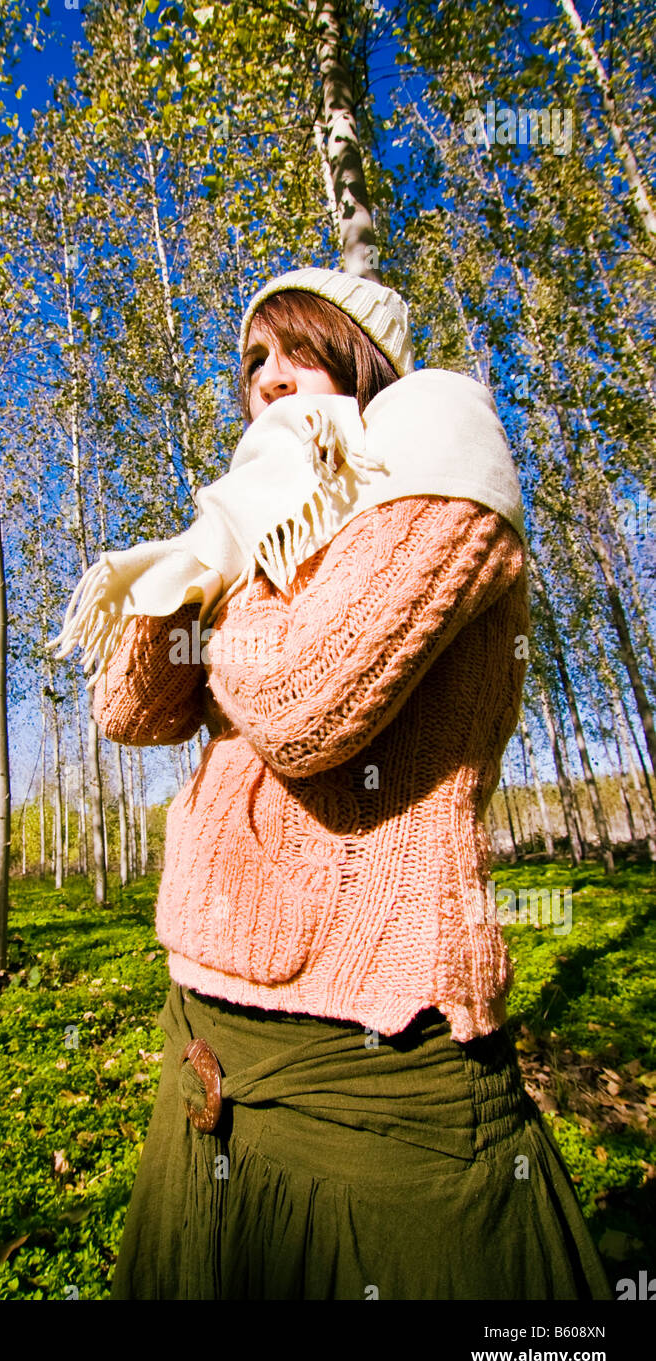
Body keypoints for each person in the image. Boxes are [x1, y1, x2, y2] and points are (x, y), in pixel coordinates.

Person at [54, 267, 613, 1301]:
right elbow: (130, 710)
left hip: (373, 1058)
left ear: (360, 359)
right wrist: (210, 546)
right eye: (250, 362)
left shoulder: (440, 454)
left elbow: (304, 705)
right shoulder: (266, 524)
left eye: (294, 347)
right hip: (204, 1040)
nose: (265, 380)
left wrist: (226, 592)